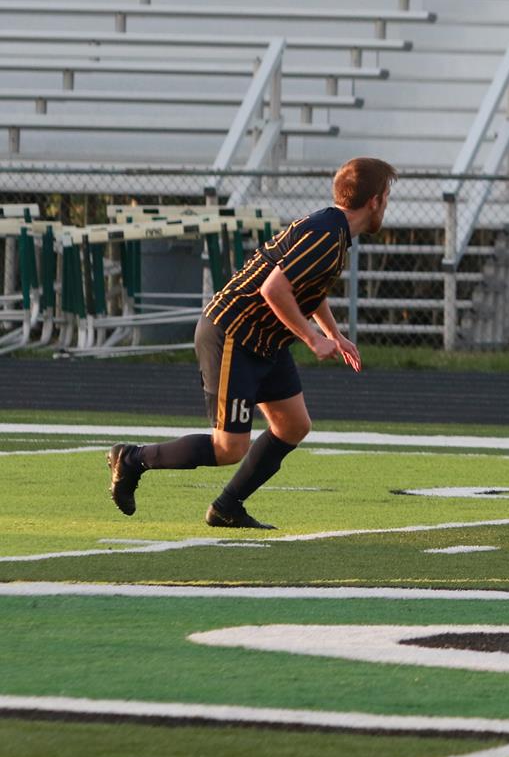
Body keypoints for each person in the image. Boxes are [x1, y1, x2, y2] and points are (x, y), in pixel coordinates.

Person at [106, 157, 395, 529]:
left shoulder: (332, 231)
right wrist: (311, 338)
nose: (386, 205)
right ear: (374, 200)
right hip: (234, 333)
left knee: (293, 425)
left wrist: (333, 335)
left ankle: (227, 507)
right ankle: (132, 459)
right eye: (386, 197)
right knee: (229, 447)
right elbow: (273, 289)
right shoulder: (327, 235)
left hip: (265, 339)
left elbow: (308, 288)